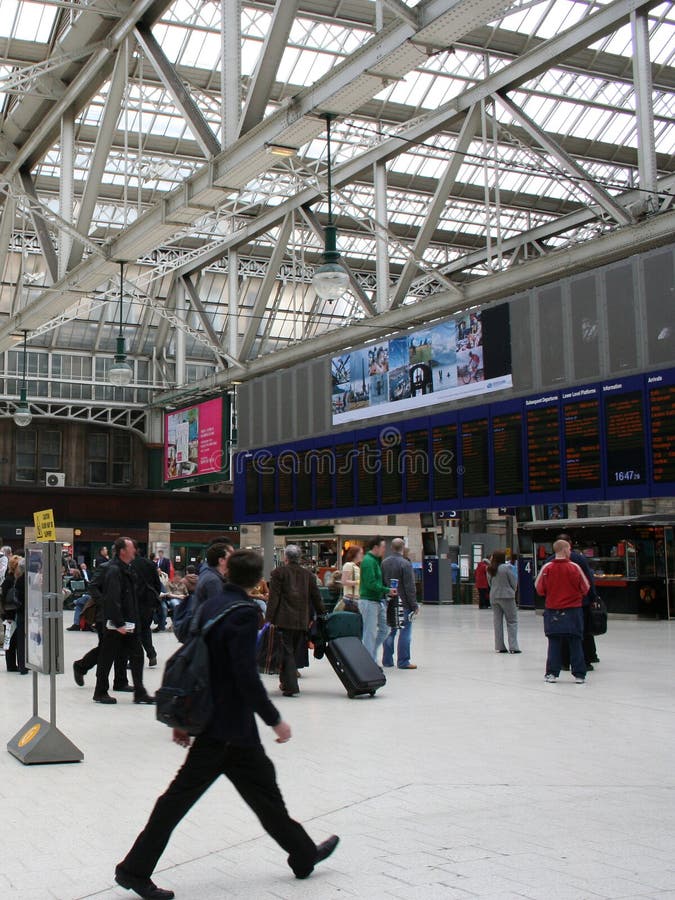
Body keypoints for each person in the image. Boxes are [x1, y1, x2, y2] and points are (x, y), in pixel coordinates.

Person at [115, 549, 339, 900]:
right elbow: (243, 675)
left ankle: (303, 854)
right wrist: (275, 720)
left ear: (228, 572)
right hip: (228, 729)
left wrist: (184, 719)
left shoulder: (212, 605)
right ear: (255, 579)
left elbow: (193, 657)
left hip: (216, 725)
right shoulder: (245, 612)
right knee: (198, 801)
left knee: (261, 797)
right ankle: (133, 870)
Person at [93, 536, 154, 705]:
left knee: (136, 654)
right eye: (131, 548)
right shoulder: (114, 570)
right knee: (107, 656)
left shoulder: (127, 568)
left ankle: (140, 692)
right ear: (122, 551)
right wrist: (118, 623)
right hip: (118, 623)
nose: (135, 550)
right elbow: (112, 598)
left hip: (129, 622)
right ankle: (100, 691)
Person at [266, 545, 324, 697]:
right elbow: (316, 597)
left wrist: (269, 619)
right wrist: (322, 613)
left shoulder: (278, 573)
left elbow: (274, 598)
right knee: (291, 652)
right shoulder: (308, 575)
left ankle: (291, 686)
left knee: (287, 652)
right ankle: (285, 682)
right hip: (301, 620)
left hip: (284, 619)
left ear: (285, 558)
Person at [536, 539, 589, 684]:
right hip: (573, 611)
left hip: (553, 611)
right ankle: (579, 675)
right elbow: (585, 587)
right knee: (575, 642)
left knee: (554, 643)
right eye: (569, 549)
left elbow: (539, 588)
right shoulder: (575, 567)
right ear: (565, 550)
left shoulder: (547, 568)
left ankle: (552, 673)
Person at [555, 533, 600, 669]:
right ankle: (585, 660)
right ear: (569, 544)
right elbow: (587, 581)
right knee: (582, 632)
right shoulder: (579, 559)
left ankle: (563, 662)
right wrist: (593, 597)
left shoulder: (550, 561)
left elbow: (541, 586)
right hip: (579, 602)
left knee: (562, 633)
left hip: (558, 604)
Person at [382, 538, 419, 670]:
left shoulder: (384, 563)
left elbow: (382, 582)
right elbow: (409, 587)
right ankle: (403, 661)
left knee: (390, 630)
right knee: (405, 632)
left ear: (392, 547)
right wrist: (414, 605)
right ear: (403, 548)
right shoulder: (405, 564)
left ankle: (387, 660)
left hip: (389, 601)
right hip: (403, 602)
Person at [358, 536, 394, 664]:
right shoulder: (368, 561)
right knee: (370, 632)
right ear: (376, 547)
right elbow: (370, 583)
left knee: (385, 629)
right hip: (369, 601)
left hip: (377, 600)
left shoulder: (376, 560)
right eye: (383, 547)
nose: (385, 549)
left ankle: (371, 653)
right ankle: (368, 661)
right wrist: (386, 590)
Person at [131, 551, 163, 667]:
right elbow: (157, 584)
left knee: (135, 631)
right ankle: (151, 654)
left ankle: (135, 659)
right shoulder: (150, 564)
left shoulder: (130, 564)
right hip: (149, 602)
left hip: (135, 601)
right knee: (145, 629)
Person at [488, 550, 520, 654]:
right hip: (507, 596)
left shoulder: (489, 569)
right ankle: (513, 647)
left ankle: (500, 646)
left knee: (497, 622)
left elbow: (490, 583)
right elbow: (514, 582)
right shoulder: (507, 568)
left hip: (494, 596)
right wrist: (513, 590)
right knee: (512, 621)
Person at [340, 546, 363, 614]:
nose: (362, 555)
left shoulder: (357, 566)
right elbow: (344, 581)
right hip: (350, 600)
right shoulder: (348, 565)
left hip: (356, 599)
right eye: (360, 553)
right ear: (355, 554)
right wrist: (358, 582)